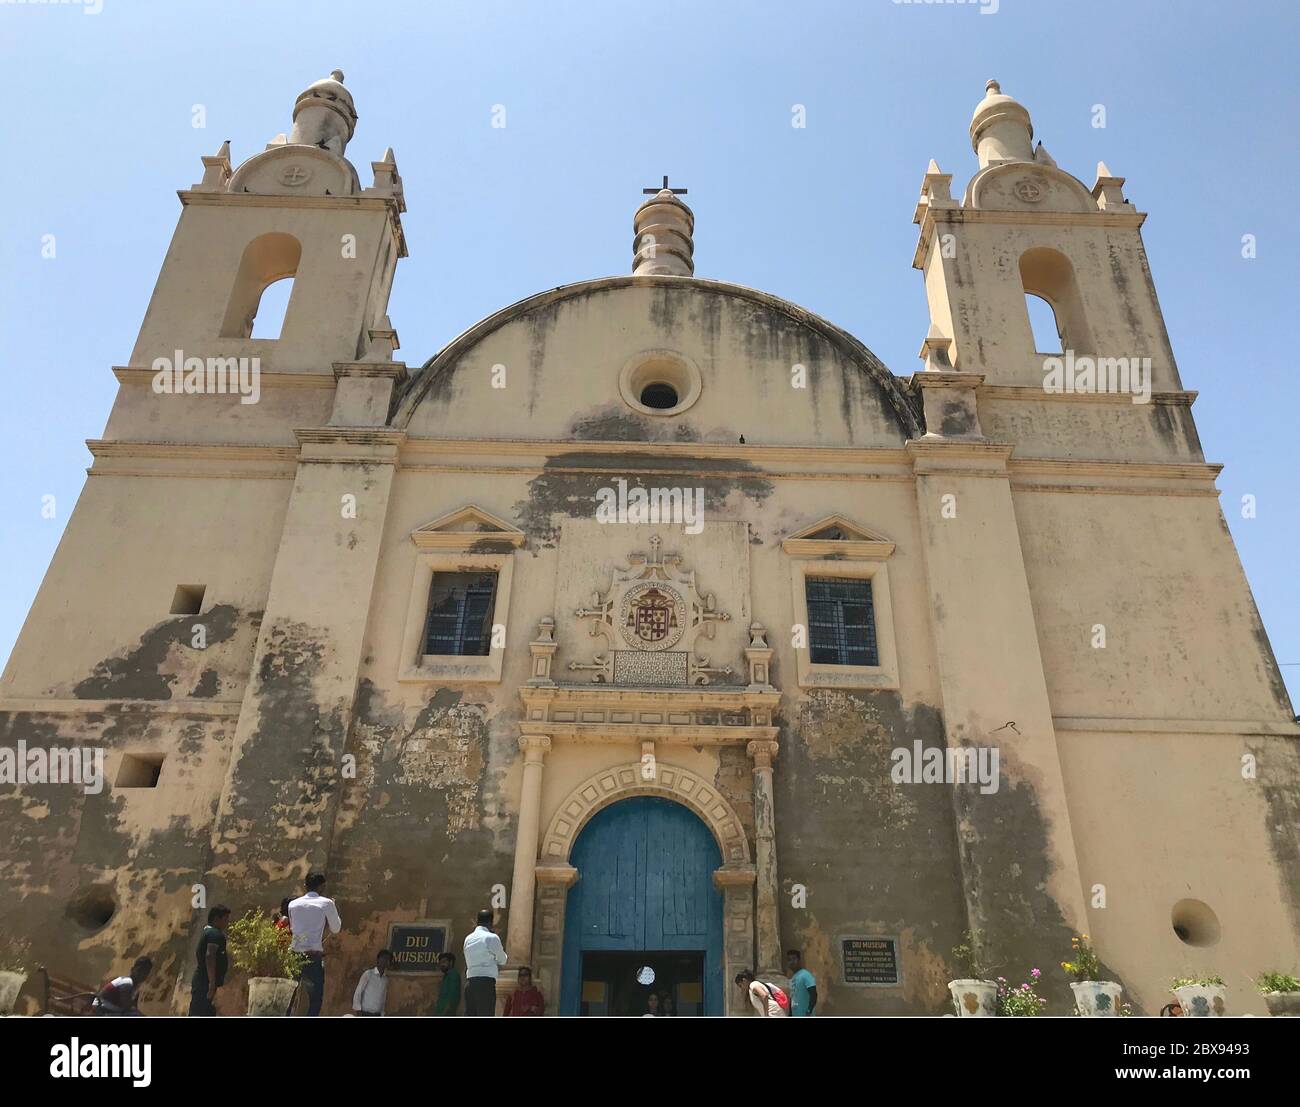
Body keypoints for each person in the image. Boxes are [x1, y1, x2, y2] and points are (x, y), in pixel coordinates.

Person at [288, 871, 342, 1016]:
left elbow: (293, 929)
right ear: (322, 886)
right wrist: (334, 910)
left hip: (294, 955)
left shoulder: (293, 904)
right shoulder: (327, 903)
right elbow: (335, 929)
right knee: (315, 999)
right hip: (313, 957)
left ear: (305, 885)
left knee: (288, 997)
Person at [463, 908, 506, 1016]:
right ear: (491, 922)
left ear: (477, 921)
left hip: (470, 984)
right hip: (485, 984)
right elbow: (503, 960)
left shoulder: (468, 938)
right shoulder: (491, 937)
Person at [188, 905, 231, 1016]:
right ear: (217, 919)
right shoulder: (215, 934)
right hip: (205, 982)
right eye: (225, 919)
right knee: (201, 1011)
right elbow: (210, 956)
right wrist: (211, 983)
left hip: (203, 981)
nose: (227, 922)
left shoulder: (208, 932)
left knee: (202, 1010)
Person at [352, 949, 392, 1016]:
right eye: (383, 958)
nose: (385, 961)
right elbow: (358, 992)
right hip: (365, 1013)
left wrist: (382, 1013)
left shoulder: (385, 980)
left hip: (377, 1014)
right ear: (378, 959)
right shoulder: (368, 974)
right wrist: (358, 1010)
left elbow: (383, 998)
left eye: (388, 959)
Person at [785, 949, 818, 1016]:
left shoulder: (806, 975)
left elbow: (813, 994)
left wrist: (809, 1010)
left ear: (799, 961)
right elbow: (792, 998)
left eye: (794, 959)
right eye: (789, 960)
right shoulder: (792, 978)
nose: (791, 962)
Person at [433, 951, 462, 1016]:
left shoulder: (453, 975)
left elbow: (453, 996)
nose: (441, 965)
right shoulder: (446, 977)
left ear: (451, 962)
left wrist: (446, 1012)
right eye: (440, 962)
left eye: (444, 962)